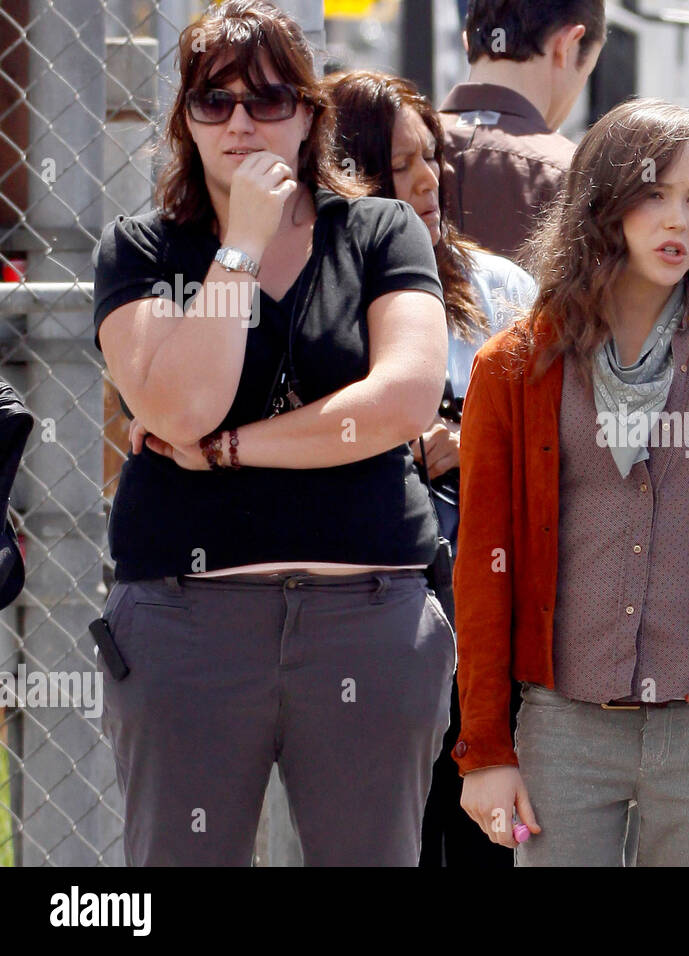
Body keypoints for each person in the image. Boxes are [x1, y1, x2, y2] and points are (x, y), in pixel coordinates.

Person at [90, 0, 454, 866]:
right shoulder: (142, 249)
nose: (242, 122)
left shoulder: (377, 232)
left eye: (268, 100)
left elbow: (403, 401)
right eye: (214, 101)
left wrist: (229, 451)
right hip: (188, 624)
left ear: (310, 115)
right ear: (186, 118)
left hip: (366, 620)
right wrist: (240, 249)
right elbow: (182, 408)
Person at [452, 98, 689, 866]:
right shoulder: (515, 366)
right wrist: (486, 750)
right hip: (564, 732)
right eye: (655, 194)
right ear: (604, 202)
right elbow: (482, 568)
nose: (679, 220)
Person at [324, 67, 536, 868]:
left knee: (483, 831)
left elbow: (557, 438)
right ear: (346, 176)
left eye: (430, 158)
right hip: (366, 603)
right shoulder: (320, 290)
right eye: (396, 165)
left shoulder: (498, 287)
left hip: (484, 597)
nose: (424, 182)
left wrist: (468, 442)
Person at [438, 0, 605, 261]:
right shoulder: (580, 180)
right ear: (567, 45)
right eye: (587, 71)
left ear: (467, 41)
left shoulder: (387, 148)